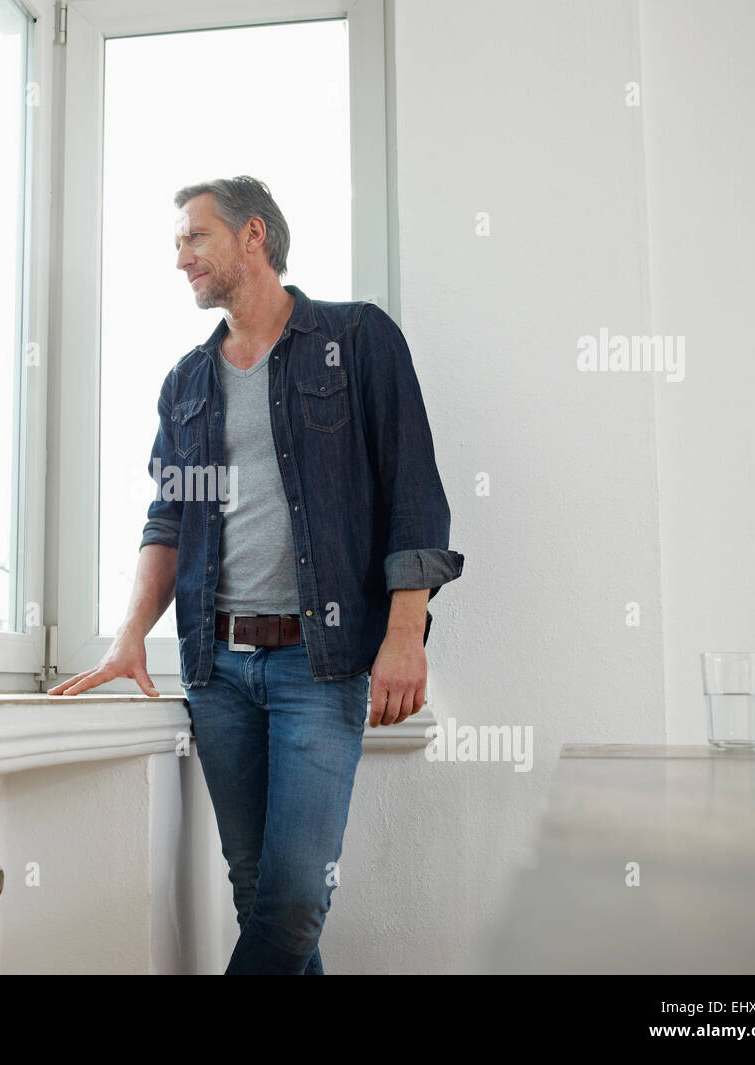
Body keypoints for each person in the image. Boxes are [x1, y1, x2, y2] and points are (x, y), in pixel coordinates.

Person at [49, 176, 464, 974]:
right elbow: (168, 521)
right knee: (259, 896)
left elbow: (412, 486)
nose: (180, 259)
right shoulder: (187, 385)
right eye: (175, 244)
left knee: (297, 896)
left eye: (194, 237)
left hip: (323, 662)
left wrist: (405, 634)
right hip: (220, 672)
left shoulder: (358, 340)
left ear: (254, 237)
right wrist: (129, 634)